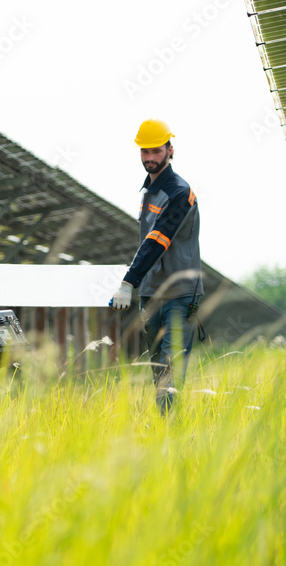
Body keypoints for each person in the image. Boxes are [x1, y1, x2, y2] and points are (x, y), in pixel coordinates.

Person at [110, 119, 202, 414]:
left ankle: (170, 434)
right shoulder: (148, 191)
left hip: (179, 294)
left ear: (170, 150)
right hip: (151, 294)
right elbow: (144, 244)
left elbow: (157, 240)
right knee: (157, 367)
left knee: (170, 366)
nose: (149, 157)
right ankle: (166, 425)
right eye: (144, 151)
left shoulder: (179, 193)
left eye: (156, 151)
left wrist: (128, 282)